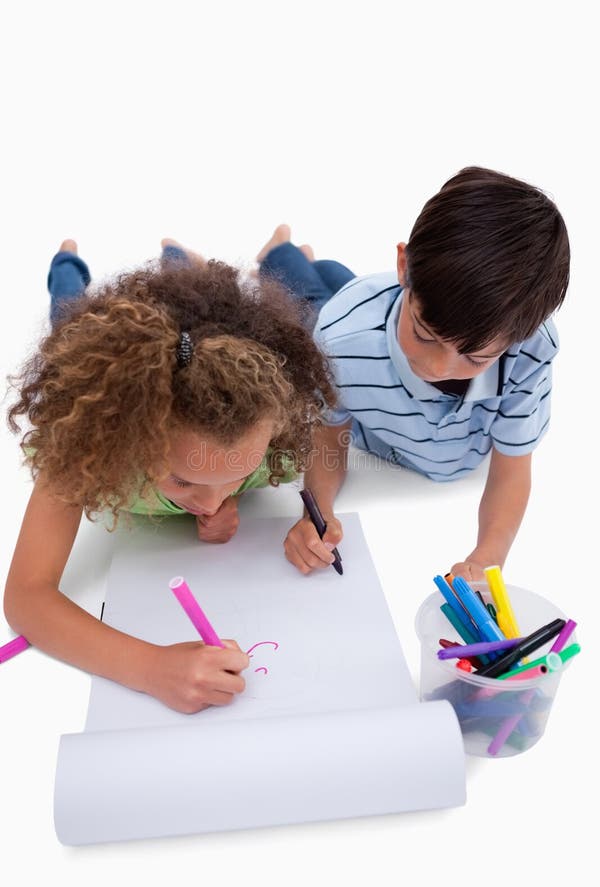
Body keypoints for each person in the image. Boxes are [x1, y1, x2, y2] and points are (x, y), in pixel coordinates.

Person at [4, 239, 336, 713]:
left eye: (236, 478)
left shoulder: (258, 430)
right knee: (68, 316)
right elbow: (25, 597)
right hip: (97, 349)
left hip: (184, 338)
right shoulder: (83, 448)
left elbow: (238, 472)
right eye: (183, 481)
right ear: (127, 438)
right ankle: (66, 260)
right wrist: (151, 668)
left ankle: (180, 260)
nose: (210, 502)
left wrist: (236, 499)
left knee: (188, 299)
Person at [257, 167, 570, 581]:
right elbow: (329, 438)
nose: (438, 368)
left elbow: (513, 468)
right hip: (348, 324)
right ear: (404, 266)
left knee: (336, 289)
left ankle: (323, 265)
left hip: (371, 311)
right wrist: (317, 511)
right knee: (309, 303)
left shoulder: (530, 349)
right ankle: (279, 251)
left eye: (475, 358)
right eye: (425, 335)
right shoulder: (340, 337)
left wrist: (488, 557)